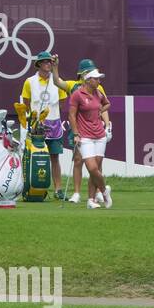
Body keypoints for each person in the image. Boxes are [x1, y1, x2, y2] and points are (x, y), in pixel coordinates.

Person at [52, 57, 108, 204]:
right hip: (78, 128)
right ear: (83, 74)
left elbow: (103, 107)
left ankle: (97, 192)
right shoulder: (73, 86)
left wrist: (107, 125)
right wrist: (56, 66)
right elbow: (57, 81)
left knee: (96, 163)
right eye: (89, 71)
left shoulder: (98, 87)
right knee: (78, 159)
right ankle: (77, 193)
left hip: (95, 129)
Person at [19, 51, 67, 198]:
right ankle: (30, 187)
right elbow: (26, 103)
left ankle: (58, 190)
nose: (48, 64)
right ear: (39, 64)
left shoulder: (58, 81)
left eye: (49, 62)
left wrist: (52, 115)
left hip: (54, 124)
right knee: (32, 156)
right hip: (36, 126)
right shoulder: (29, 81)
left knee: (54, 157)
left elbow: (62, 103)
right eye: (45, 62)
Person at [68, 69, 112, 209]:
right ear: (88, 80)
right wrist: (75, 133)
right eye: (96, 79)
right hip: (84, 137)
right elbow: (71, 116)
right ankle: (104, 191)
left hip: (100, 136)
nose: (99, 81)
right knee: (92, 168)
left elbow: (107, 104)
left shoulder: (98, 93)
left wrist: (100, 110)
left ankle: (91, 200)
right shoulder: (77, 94)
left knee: (97, 167)